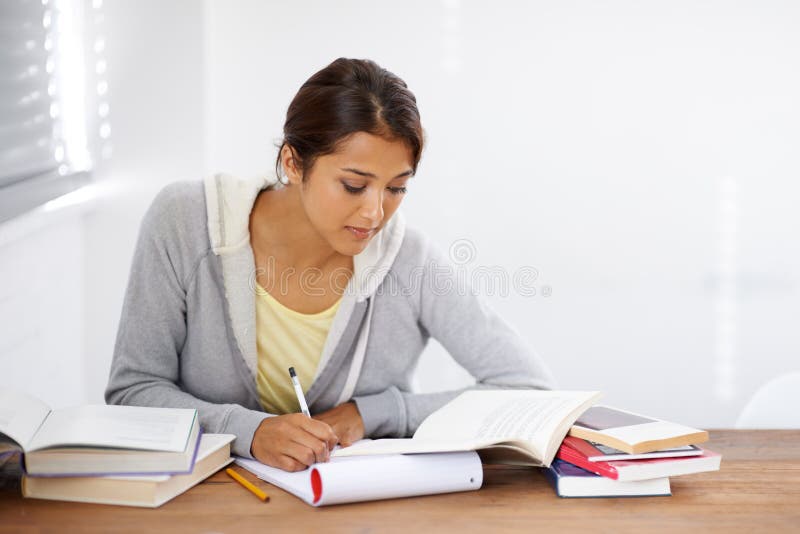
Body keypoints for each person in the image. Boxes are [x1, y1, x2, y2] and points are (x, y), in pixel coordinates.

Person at [106, 57, 554, 472]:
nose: (375, 213)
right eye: (354, 185)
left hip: (353, 506)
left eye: (396, 188)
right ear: (293, 163)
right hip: (207, 503)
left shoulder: (409, 260)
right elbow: (134, 391)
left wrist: (373, 413)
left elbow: (529, 390)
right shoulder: (187, 223)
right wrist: (249, 431)